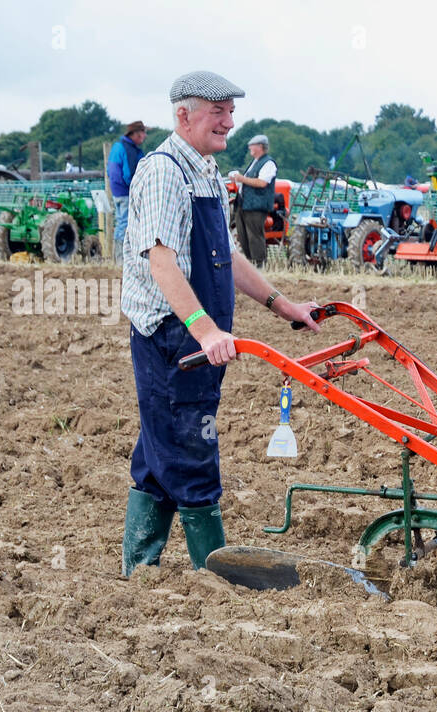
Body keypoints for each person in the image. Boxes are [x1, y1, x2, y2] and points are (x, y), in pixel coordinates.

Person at [120, 71, 321, 578]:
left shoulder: (205, 170)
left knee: (158, 450)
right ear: (183, 115)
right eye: (219, 113)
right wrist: (204, 329)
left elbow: (226, 254)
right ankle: (214, 581)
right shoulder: (165, 170)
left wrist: (284, 306)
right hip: (172, 337)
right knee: (191, 450)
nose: (229, 122)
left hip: (199, 337)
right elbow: (161, 260)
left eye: (231, 112)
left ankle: (138, 572)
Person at [229, 134, 277, 267]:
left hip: (256, 206)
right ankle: (251, 263)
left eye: (252, 145)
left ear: (260, 147)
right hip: (244, 205)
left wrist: (240, 178)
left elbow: (262, 183)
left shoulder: (268, 163)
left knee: (254, 236)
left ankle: (260, 265)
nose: (250, 147)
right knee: (243, 237)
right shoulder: (255, 162)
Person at [108, 121, 147, 263]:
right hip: (126, 192)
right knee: (125, 225)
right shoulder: (129, 149)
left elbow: (110, 170)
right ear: (136, 134)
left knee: (120, 223)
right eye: (143, 133)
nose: (145, 136)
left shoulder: (117, 146)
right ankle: (121, 259)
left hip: (116, 191)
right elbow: (129, 174)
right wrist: (137, 188)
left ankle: (117, 258)